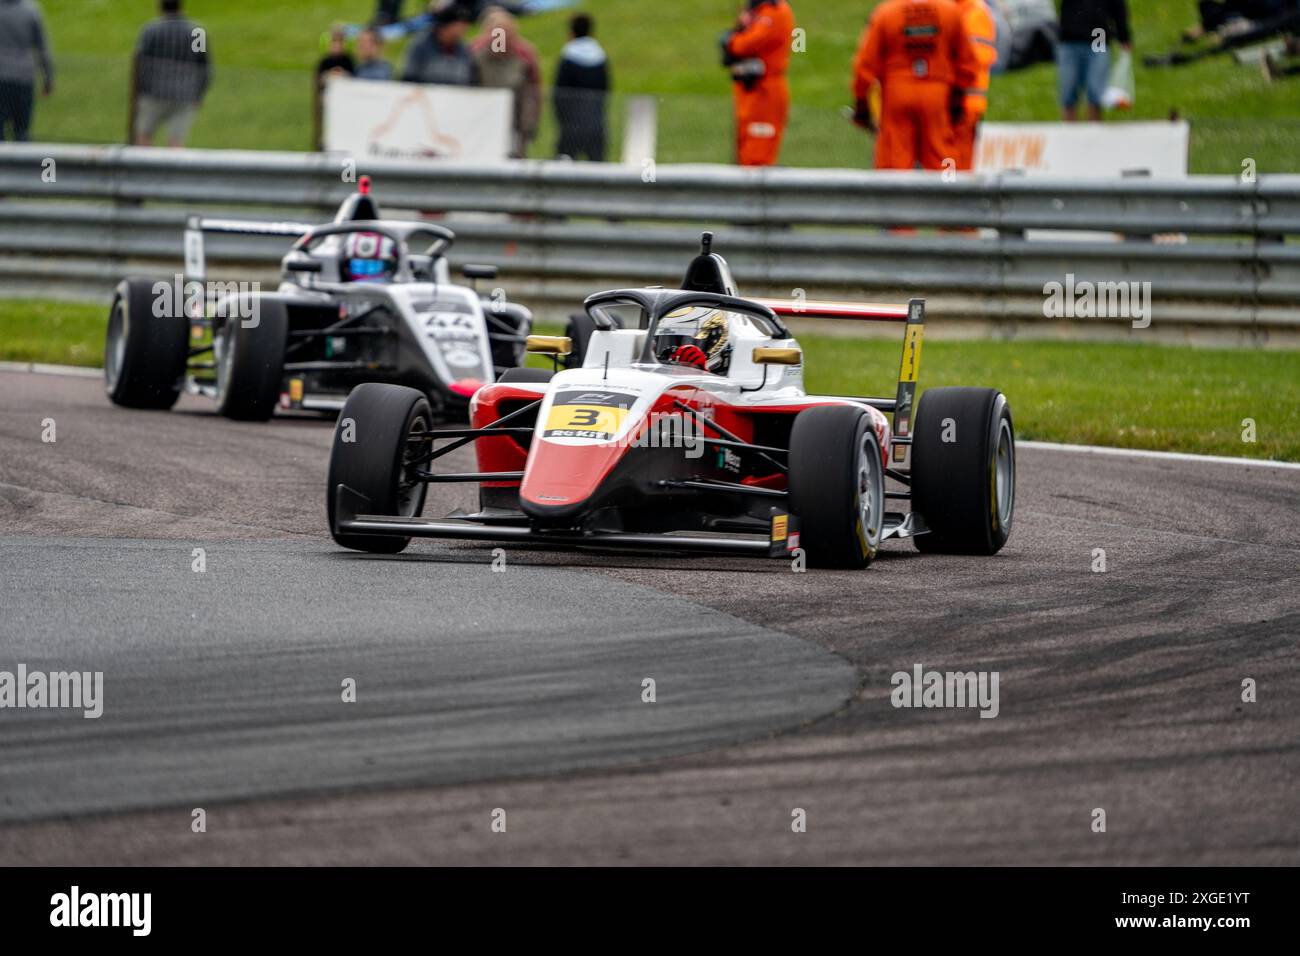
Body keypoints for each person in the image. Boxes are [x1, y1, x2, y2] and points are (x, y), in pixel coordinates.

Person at [851, 0, 978, 172]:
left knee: (893, 161)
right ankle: (945, 195)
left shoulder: (887, 12)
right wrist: (958, 94)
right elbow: (967, 62)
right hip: (937, 94)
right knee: (941, 158)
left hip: (897, 94)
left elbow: (865, 65)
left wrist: (861, 101)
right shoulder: (950, 11)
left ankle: (895, 198)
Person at [720, 0, 796, 167]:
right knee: (745, 152)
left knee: (757, 157)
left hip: (765, 92)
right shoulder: (758, 11)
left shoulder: (774, 11)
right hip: (751, 90)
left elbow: (751, 42)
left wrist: (731, 42)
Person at [131, 0, 211, 148]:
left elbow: (139, 62)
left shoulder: (151, 30)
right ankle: (175, 170)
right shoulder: (196, 32)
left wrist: (138, 91)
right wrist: (200, 93)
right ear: (181, 7)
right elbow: (203, 65)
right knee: (176, 142)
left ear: (160, 7)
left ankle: (144, 170)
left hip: (153, 93)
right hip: (184, 94)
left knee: (144, 137)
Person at [471, 6, 541, 158]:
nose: (501, 41)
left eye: (505, 34)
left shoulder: (525, 55)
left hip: (514, 121)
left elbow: (534, 92)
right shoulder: (475, 52)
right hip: (482, 120)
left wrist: (530, 124)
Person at [1057, 0, 1130, 122]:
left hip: (1098, 36)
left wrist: (1124, 35)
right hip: (1070, 38)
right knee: (1068, 93)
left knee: (1096, 93)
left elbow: (1118, 6)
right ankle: (1068, 136)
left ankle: (1095, 136)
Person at [554, 13, 609, 161]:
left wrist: (561, 119)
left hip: (571, 124)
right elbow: (605, 91)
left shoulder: (568, 57)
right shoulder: (600, 57)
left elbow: (560, 93)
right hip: (596, 122)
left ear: (571, 32)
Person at [954, 0, 999, 170]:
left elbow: (975, 60)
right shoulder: (954, 9)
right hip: (954, 105)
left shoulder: (975, 13)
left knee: (957, 171)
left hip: (966, 106)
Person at [0, 0, 54, 142]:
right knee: (22, 131)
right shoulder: (31, 10)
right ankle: (23, 163)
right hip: (23, 77)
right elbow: (43, 48)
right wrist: (48, 79)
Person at [402, 3, 478, 87]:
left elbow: (470, 81)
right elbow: (409, 78)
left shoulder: (464, 50)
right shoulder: (421, 45)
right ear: (447, 25)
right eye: (460, 24)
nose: (465, 29)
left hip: (456, 98)